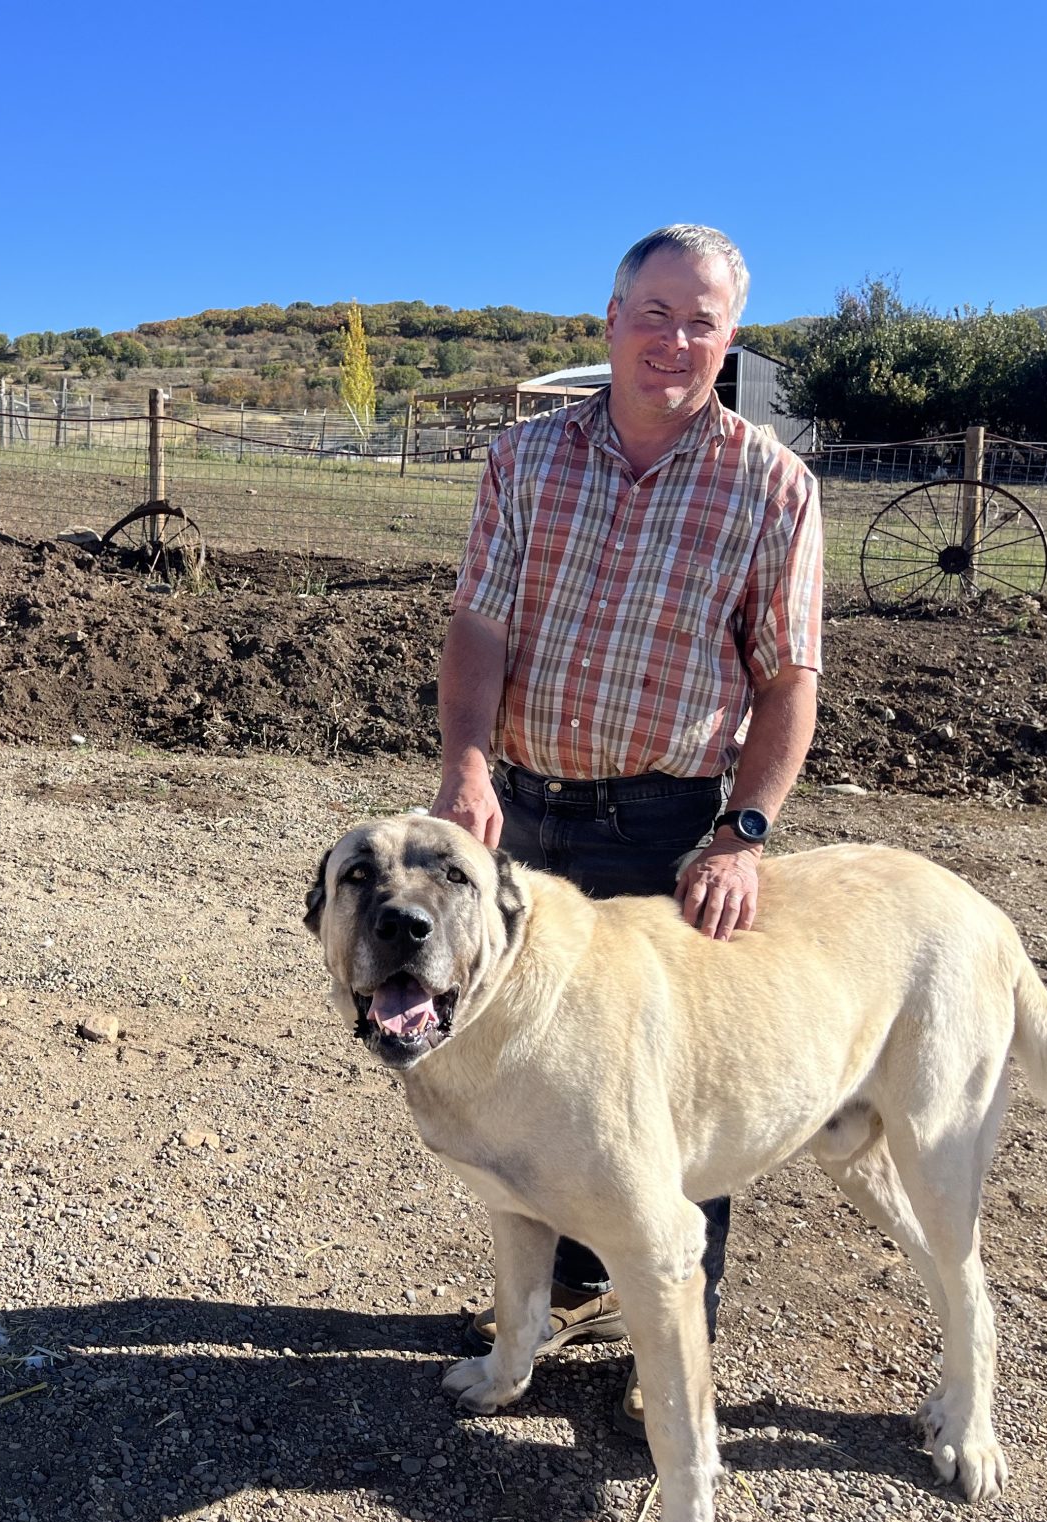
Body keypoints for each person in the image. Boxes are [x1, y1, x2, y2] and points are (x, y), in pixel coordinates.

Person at [430, 223, 823, 1434]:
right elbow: (480, 626)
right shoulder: (526, 459)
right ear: (608, 321)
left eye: (700, 320)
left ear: (729, 339)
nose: (674, 340)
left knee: (665, 1096)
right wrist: (465, 765)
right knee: (513, 1068)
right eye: (652, 312)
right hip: (523, 817)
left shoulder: (770, 484)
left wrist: (743, 834)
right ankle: (552, 1296)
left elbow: (785, 681)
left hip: (659, 825)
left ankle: (671, 1344)